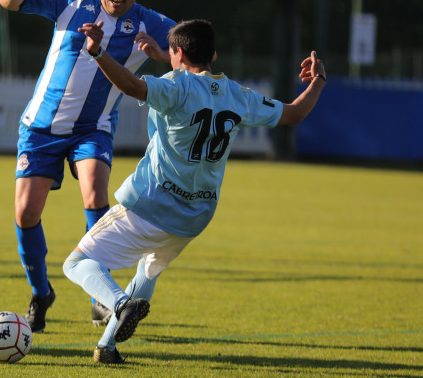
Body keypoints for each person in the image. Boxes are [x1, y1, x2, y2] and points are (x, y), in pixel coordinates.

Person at [63, 19, 327, 364]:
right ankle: (108, 346)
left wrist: (97, 51)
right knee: (148, 270)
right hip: (194, 217)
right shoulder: (237, 94)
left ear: (179, 52)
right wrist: (319, 80)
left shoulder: (175, 86)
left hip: (149, 205)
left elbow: (132, 86)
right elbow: (294, 114)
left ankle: (119, 303)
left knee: (76, 262)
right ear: (214, 54)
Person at [0, 0, 176, 333]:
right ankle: (41, 292)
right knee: (26, 213)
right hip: (41, 127)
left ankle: (101, 296)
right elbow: (7, 1)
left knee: (96, 195)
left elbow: (191, 53)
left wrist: (162, 54)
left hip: (92, 128)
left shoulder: (149, 22)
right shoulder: (72, 0)